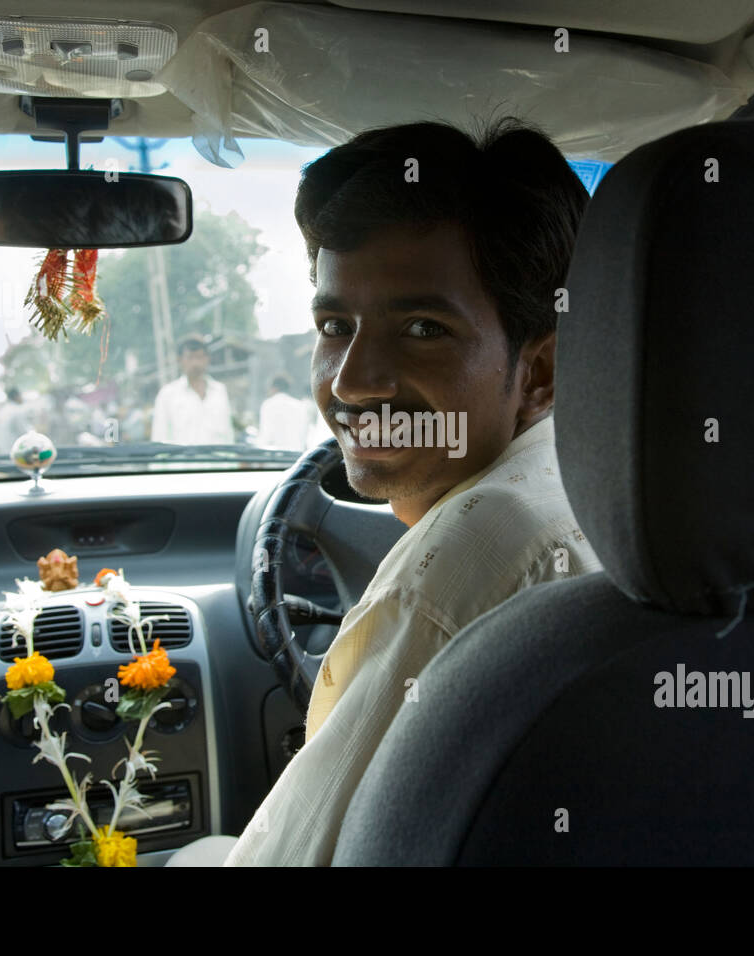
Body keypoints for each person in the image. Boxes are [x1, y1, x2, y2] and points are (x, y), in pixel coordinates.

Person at [165, 116, 600, 867]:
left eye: (423, 328)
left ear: (539, 373)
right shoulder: (595, 489)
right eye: (335, 324)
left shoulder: (468, 560)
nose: (351, 381)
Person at [150, 336, 234, 445]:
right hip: (183, 461)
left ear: (207, 359)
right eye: (190, 357)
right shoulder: (168, 395)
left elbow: (228, 436)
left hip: (217, 461)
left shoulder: (220, 391)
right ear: (180, 360)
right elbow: (159, 440)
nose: (195, 363)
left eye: (199, 357)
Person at [256, 374, 311, 449]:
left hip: (273, 456)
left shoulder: (268, 404)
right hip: (296, 454)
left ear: (274, 388)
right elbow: (305, 434)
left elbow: (266, 434)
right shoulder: (300, 406)